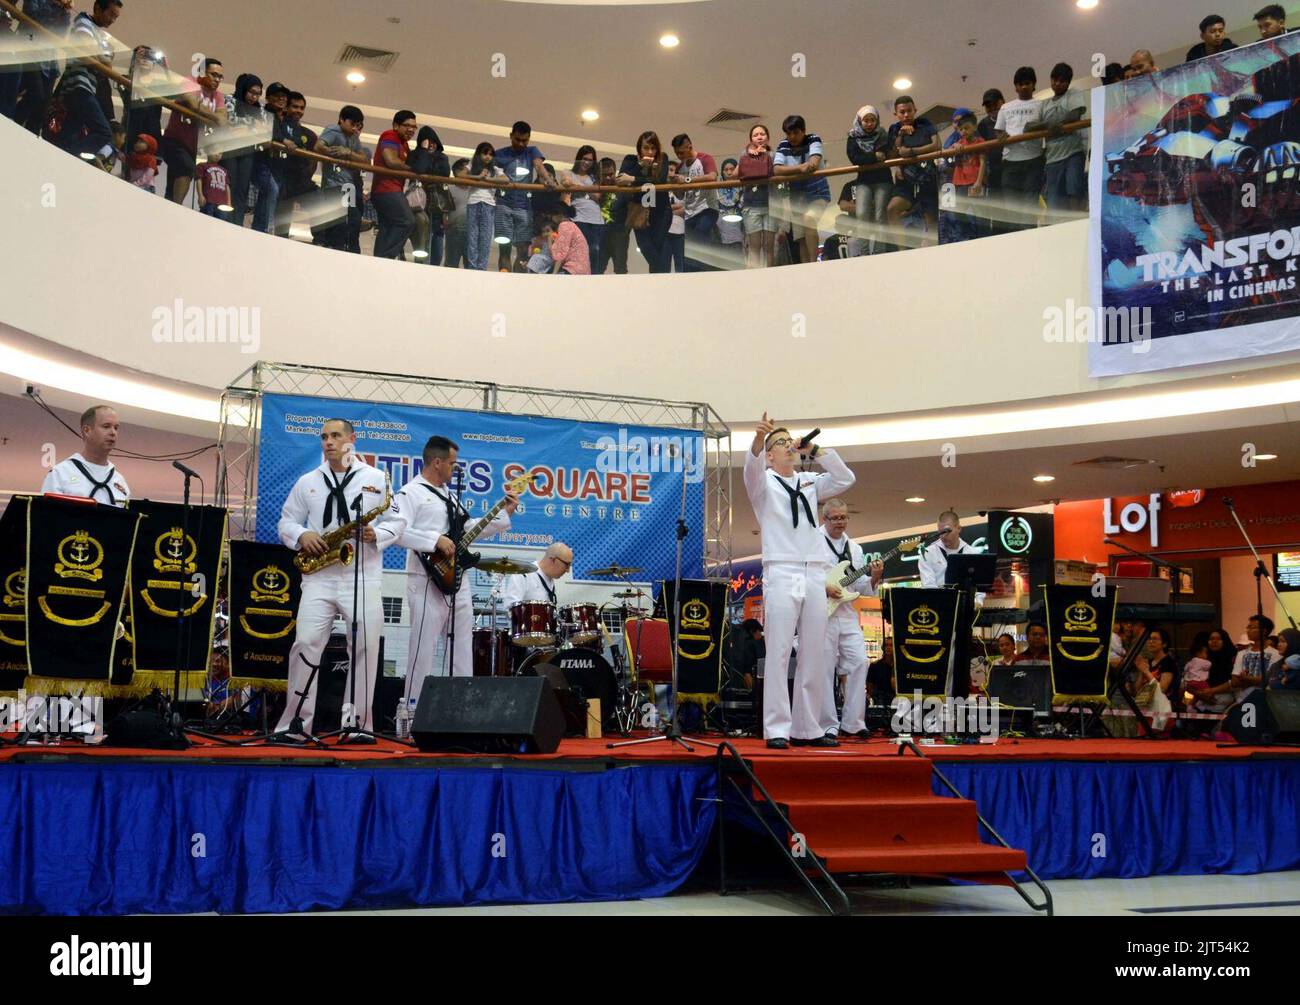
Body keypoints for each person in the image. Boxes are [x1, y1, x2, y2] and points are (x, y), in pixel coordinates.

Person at [375, 436, 518, 703]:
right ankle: (411, 712)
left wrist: (504, 513)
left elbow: (467, 530)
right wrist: (434, 540)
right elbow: (397, 532)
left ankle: (461, 708)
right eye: (452, 464)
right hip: (427, 579)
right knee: (422, 649)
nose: (455, 469)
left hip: (457, 579)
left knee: (462, 648)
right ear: (437, 462)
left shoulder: (450, 496)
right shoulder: (410, 493)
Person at [744, 412, 855, 748]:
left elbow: (845, 477)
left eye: (789, 441)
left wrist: (814, 449)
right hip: (781, 570)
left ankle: (808, 727)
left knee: (815, 652)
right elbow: (749, 469)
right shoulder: (764, 484)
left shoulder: (809, 482)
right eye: (780, 443)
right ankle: (777, 727)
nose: (788, 446)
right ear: (770, 454)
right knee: (778, 651)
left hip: (813, 572)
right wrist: (757, 441)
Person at [275, 419, 387, 735]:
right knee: (305, 644)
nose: (328, 442)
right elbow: (286, 523)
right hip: (319, 577)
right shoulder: (307, 481)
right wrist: (303, 534)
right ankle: (296, 725)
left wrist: (376, 532)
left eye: (335, 436)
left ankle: (357, 726)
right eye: (324, 437)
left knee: (365, 648)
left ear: (351, 439)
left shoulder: (377, 479)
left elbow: (398, 521)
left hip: (362, 576)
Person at [819, 498, 884, 738]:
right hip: (821, 613)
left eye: (844, 517)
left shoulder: (854, 548)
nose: (840, 522)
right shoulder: (813, 541)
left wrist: (875, 577)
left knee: (860, 661)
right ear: (824, 519)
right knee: (824, 669)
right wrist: (824, 587)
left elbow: (861, 588)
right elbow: (804, 575)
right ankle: (827, 725)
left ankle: (853, 722)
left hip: (846, 613)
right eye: (835, 517)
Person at [51, 0, 123, 168]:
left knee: (69, 132)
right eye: (111, 14)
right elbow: (89, 53)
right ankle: (68, 158)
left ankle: (60, 159)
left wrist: (100, 57)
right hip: (79, 86)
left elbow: (105, 61)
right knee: (104, 132)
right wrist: (102, 57)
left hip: (83, 86)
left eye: (116, 16)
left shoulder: (97, 32)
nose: (113, 19)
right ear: (98, 8)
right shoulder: (84, 22)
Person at [159, 57, 227, 205]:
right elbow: (192, 102)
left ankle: (168, 207)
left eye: (220, 76)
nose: (217, 79)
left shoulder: (218, 95)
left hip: (192, 146)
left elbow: (223, 118)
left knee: (173, 183)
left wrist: (211, 115)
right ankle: (175, 209)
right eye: (214, 74)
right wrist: (214, 116)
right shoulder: (191, 81)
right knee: (187, 170)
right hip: (174, 140)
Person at [40, 404, 130, 505]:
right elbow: (47, 517)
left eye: (116, 428)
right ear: (87, 431)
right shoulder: (60, 474)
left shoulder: (119, 481)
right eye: (106, 426)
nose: (113, 432)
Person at [495, 121, 555, 271]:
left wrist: (548, 180)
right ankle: (504, 277)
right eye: (517, 140)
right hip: (504, 204)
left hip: (524, 206)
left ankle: (518, 281)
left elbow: (539, 166)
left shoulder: (532, 151)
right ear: (511, 136)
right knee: (505, 247)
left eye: (525, 140)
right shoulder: (500, 153)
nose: (521, 144)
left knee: (523, 249)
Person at [774, 115, 831, 266]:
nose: (792, 137)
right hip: (796, 197)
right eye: (788, 133)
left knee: (809, 219)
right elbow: (777, 169)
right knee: (800, 237)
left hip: (817, 194)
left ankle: (814, 264)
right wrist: (800, 168)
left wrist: (792, 170)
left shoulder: (813, 139)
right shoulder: (783, 145)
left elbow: (813, 163)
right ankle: (806, 269)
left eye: (795, 133)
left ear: (803, 131)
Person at [885, 96, 941, 246]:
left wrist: (912, 151)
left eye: (909, 111)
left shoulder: (925, 123)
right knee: (892, 208)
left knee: (931, 219)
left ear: (915, 110)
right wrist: (901, 136)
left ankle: (933, 252)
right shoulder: (894, 129)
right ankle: (901, 251)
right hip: (905, 180)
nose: (906, 115)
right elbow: (891, 154)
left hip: (927, 178)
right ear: (896, 114)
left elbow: (937, 145)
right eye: (902, 112)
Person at [313, 104, 369, 251]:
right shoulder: (333, 129)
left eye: (358, 125)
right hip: (334, 185)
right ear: (342, 120)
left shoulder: (353, 137)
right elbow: (318, 146)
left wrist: (348, 153)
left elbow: (364, 158)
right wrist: (333, 154)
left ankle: (343, 249)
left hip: (347, 187)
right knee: (340, 221)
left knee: (352, 220)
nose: (355, 128)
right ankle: (335, 248)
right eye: (352, 124)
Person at [616, 131, 672, 273]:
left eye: (653, 148)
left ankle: (659, 282)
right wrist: (640, 165)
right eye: (646, 148)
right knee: (646, 247)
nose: (650, 152)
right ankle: (662, 280)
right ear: (639, 148)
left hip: (661, 211)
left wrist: (633, 179)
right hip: (639, 210)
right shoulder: (630, 159)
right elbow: (621, 179)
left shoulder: (663, 158)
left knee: (659, 248)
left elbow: (658, 181)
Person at [995, 67, 1044, 228]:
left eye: (1027, 83)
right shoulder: (1005, 107)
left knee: (1030, 206)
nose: (1024, 87)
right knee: (1012, 208)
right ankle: (1017, 243)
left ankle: (1031, 240)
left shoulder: (1041, 104)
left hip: (1034, 160)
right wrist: (1002, 138)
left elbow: (1046, 127)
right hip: (1010, 161)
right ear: (1015, 87)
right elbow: (999, 131)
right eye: (1020, 84)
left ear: (1034, 85)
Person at [1039, 63, 1088, 214]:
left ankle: (1076, 222)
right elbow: (1032, 126)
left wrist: (1054, 125)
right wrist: (1052, 126)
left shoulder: (1074, 93)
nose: (1057, 84)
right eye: (1054, 80)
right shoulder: (1045, 103)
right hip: (1052, 157)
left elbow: (1074, 115)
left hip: (1073, 152)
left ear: (1068, 82)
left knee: (1074, 189)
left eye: (1062, 81)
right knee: (1053, 200)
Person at [846, 105, 892, 256]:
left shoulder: (883, 134)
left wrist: (868, 159)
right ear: (860, 121)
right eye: (866, 120)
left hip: (883, 179)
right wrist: (874, 157)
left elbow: (885, 154)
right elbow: (855, 159)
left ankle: (879, 252)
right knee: (861, 213)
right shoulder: (853, 137)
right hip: (864, 180)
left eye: (872, 120)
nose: (869, 123)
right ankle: (864, 253)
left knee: (880, 215)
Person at [372, 110, 417, 259]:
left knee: (387, 226)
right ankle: (386, 257)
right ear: (396, 125)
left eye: (414, 127)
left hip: (389, 189)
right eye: (407, 125)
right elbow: (390, 160)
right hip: (386, 189)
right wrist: (412, 168)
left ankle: (379, 259)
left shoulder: (405, 144)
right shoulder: (390, 135)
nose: (411, 129)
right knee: (407, 221)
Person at [671, 134, 720, 271]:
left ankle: (701, 274)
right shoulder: (680, 167)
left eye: (681, 152)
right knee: (688, 248)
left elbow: (712, 177)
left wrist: (687, 180)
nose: (679, 156)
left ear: (689, 147)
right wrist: (674, 184)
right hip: (689, 212)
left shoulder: (705, 158)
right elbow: (680, 194)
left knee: (700, 241)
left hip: (707, 209)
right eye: (677, 153)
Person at [224, 73, 267, 227]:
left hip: (248, 151)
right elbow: (230, 120)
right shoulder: (230, 100)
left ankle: (236, 223)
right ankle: (224, 219)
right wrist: (252, 124)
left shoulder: (260, 108)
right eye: (251, 92)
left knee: (243, 187)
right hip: (230, 148)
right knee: (230, 184)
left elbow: (264, 128)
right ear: (243, 89)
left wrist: (246, 125)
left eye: (258, 94)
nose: (254, 97)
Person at [917, 510, 984, 605]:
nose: (943, 536)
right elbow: (929, 586)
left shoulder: (972, 553)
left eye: (947, 532)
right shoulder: (928, 553)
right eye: (940, 532)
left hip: (967, 607)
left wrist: (978, 602)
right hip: (939, 608)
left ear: (959, 528)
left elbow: (979, 586)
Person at [941, 110, 986, 244]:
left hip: (974, 181)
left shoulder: (980, 141)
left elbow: (983, 161)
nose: (963, 132)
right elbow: (946, 152)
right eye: (961, 129)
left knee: (979, 212)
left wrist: (979, 182)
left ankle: (983, 239)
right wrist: (954, 146)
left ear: (974, 127)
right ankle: (968, 237)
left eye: (966, 128)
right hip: (959, 182)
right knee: (958, 212)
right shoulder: (958, 143)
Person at [560, 145, 604, 274]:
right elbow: (566, 183)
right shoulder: (569, 173)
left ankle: (593, 280)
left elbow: (597, 196)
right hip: (578, 217)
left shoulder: (594, 177)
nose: (586, 162)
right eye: (584, 159)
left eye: (590, 160)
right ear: (579, 159)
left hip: (596, 219)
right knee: (579, 251)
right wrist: (587, 188)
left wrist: (578, 186)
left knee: (595, 250)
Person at [461, 142, 505, 271]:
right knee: (472, 236)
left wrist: (488, 180)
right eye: (485, 153)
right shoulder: (471, 165)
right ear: (479, 153)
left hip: (489, 204)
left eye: (491, 154)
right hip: (473, 203)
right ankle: (472, 267)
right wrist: (478, 177)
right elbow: (460, 175)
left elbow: (505, 179)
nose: (488, 157)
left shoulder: (495, 169)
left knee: (485, 237)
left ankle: (482, 268)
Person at [738, 124, 777, 268]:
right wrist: (749, 154)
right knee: (754, 246)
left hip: (771, 204)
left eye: (762, 134)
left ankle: (770, 277)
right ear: (750, 139)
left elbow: (778, 172)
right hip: (751, 205)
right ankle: (753, 279)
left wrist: (764, 155)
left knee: (769, 246)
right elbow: (736, 174)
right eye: (755, 135)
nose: (759, 137)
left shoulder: (774, 155)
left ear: (768, 137)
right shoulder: (744, 154)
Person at [502, 542, 574, 611]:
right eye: (566, 565)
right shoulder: (523, 575)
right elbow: (510, 607)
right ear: (553, 559)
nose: (567, 570)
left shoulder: (550, 579)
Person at [1230, 614, 1279, 699]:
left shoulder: (1276, 654)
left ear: (1263, 631)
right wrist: (1256, 680)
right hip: (1243, 699)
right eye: (1248, 627)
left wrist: (1245, 678)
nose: (1248, 630)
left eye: (1252, 628)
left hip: (1265, 699)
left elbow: (1270, 680)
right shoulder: (1241, 653)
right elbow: (1234, 681)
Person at [596, 157, 629, 274]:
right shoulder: (595, 188)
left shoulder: (623, 187)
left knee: (620, 269)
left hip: (619, 234)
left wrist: (626, 231)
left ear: (615, 171)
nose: (608, 177)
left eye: (610, 174)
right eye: (604, 175)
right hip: (600, 233)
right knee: (597, 268)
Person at [443, 157, 471, 269]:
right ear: (457, 172)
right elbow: (445, 212)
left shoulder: (475, 189)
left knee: (471, 265)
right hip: (454, 229)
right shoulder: (449, 188)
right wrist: (446, 227)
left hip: (471, 231)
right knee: (451, 263)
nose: (471, 172)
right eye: (467, 169)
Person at [547, 208, 592, 275]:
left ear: (559, 215)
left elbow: (560, 252)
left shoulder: (564, 225)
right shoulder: (572, 225)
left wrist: (549, 240)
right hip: (584, 269)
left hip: (573, 269)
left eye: (551, 217)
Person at [716, 158, 744, 254]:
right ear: (722, 172)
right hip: (721, 230)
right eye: (726, 170)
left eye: (732, 169)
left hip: (739, 228)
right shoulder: (715, 187)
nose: (729, 172)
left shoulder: (744, 186)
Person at [197, 149, 231, 217]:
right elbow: (199, 180)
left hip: (222, 204)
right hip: (208, 200)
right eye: (214, 151)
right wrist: (200, 195)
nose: (217, 155)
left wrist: (229, 202)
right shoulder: (202, 166)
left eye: (220, 153)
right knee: (207, 220)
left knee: (221, 223)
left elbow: (227, 186)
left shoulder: (224, 170)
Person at [867, 637, 895, 707]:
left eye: (891, 645)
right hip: (879, 700)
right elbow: (869, 686)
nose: (888, 648)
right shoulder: (874, 666)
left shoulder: (899, 666)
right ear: (883, 647)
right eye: (886, 645)